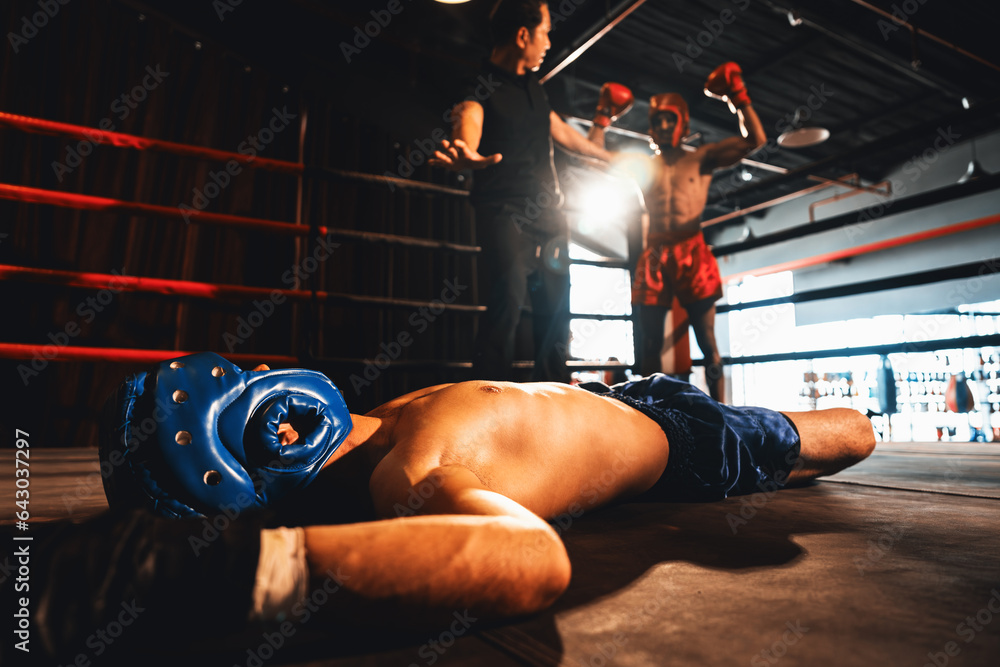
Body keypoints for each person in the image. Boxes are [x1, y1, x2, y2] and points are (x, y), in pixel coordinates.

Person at [17, 352, 875, 659]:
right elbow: (533, 559)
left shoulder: (377, 421)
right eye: (251, 427)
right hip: (686, 447)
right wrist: (231, 575)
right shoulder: (406, 481)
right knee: (849, 435)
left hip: (625, 394)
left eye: (246, 386)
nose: (275, 413)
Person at [430, 0, 624, 383]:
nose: (549, 41)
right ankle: (487, 395)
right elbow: (470, 117)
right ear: (523, 35)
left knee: (556, 310)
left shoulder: (534, 86)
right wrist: (464, 148)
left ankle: (552, 395)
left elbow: (562, 131)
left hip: (550, 215)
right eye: (546, 31)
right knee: (509, 299)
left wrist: (607, 157)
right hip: (504, 211)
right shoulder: (479, 84)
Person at [593, 63, 767, 402]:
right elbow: (595, 155)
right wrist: (602, 116)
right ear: (651, 128)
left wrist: (738, 97)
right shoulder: (642, 165)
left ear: (682, 123)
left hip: (692, 249)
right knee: (648, 343)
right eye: (657, 121)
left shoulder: (702, 158)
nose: (662, 126)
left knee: (707, 340)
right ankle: (647, 411)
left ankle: (720, 409)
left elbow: (756, 140)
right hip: (655, 253)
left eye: (669, 119)